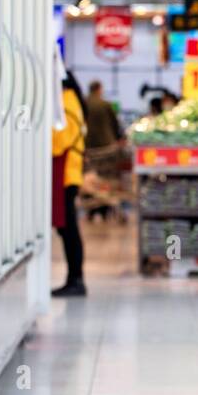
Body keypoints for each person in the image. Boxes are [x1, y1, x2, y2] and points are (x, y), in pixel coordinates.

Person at [51, 67, 88, 297]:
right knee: (67, 229)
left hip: (67, 174)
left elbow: (59, 141)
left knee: (69, 229)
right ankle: (74, 278)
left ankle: (76, 279)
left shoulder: (66, 102)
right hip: (69, 173)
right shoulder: (70, 101)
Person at [84, 80, 124, 221]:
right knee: (107, 177)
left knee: (90, 178)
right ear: (99, 89)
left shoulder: (83, 103)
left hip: (88, 147)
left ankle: (91, 210)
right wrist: (120, 138)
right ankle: (106, 208)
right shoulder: (105, 105)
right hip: (106, 147)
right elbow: (115, 125)